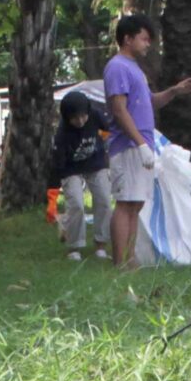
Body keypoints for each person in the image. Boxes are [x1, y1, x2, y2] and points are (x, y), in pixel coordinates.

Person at [101, 14, 191, 267]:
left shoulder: (135, 69)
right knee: (125, 203)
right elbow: (120, 109)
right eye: (144, 39)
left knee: (136, 203)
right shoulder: (118, 67)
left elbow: (150, 101)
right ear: (127, 38)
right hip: (128, 146)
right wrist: (140, 144)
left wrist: (174, 91)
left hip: (142, 144)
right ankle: (121, 262)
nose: (147, 44)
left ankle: (129, 259)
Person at [52, 90, 114, 260]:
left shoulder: (95, 116)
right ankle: (74, 247)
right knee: (76, 204)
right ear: (67, 117)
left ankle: (101, 244)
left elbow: (110, 127)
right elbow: (58, 164)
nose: (80, 121)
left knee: (104, 200)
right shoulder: (62, 135)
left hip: (96, 164)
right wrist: (55, 190)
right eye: (75, 118)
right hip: (71, 169)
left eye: (83, 116)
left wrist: (106, 141)